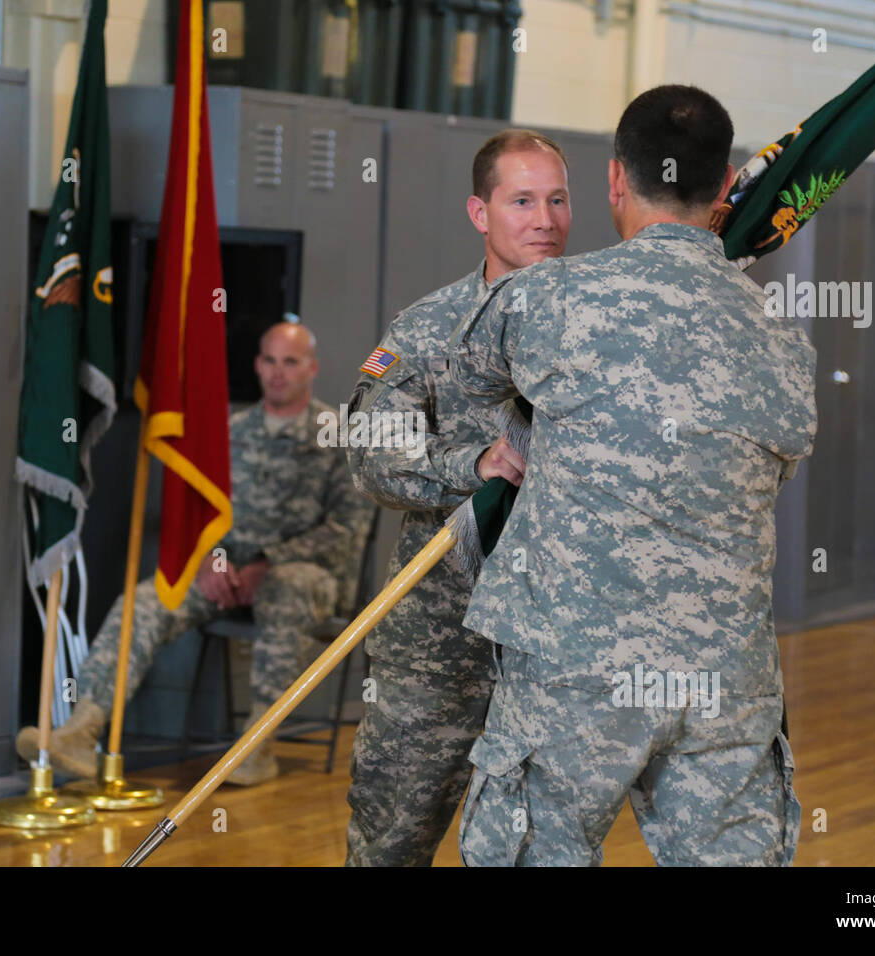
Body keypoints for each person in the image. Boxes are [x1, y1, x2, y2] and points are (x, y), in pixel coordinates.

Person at [450, 85, 817, 866]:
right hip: (722, 683)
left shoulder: (542, 298)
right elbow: (767, 471)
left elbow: (470, 376)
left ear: (616, 181)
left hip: (571, 674)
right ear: (723, 189)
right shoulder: (784, 340)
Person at [342, 130, 571, 865]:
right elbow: (371, 451)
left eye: (559, 199)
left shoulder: (606, 328)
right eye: (523, 200)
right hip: (438, 645)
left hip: (558, 642)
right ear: (480, 212)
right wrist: (471, 464)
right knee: (390, 844)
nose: (545, 220)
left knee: (536, 849)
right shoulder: (427, 327)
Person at [18, 322, 375, 785]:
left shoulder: (339, 437)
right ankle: (82, 729)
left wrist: (267, 562)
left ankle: (257, 746)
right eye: (270, 360)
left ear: (313, 368)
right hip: (225, 576)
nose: (278, 372)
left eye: (291, 362)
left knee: (286, 586)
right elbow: (203, 513)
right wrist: (213, 562)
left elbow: (347, 530)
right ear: (257, 365)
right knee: (143, 602)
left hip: (305, 579)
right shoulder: (230, 433)